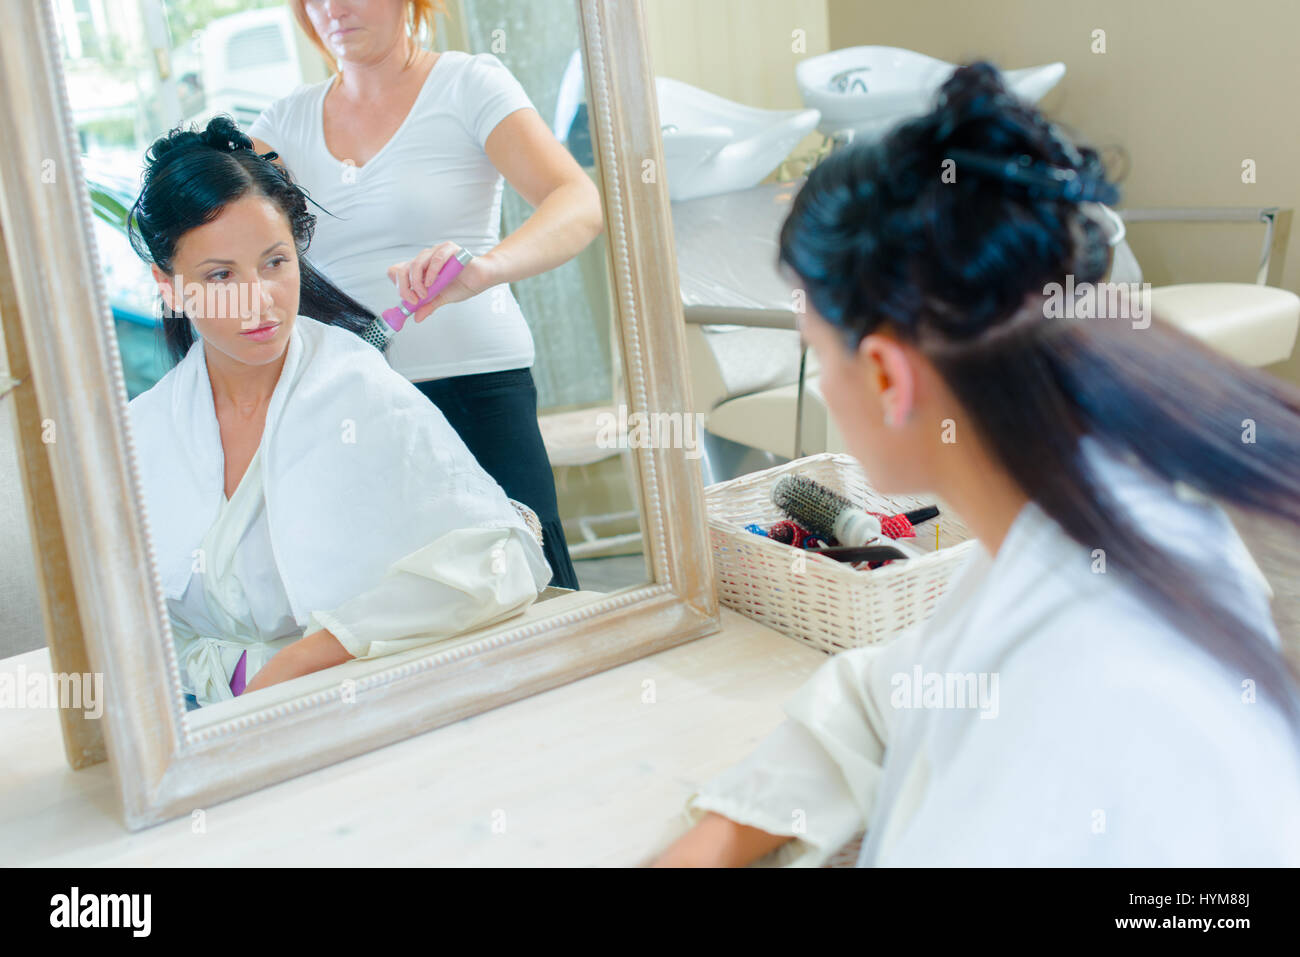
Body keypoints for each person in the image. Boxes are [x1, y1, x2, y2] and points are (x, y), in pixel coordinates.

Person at [651, 62, 1300, 866]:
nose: (820, 378)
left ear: (888, 376)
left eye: (815, 351)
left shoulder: (1085, 687)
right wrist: (719, 836)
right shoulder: (1088, 523)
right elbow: (891, 691)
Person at [127, 116, 552, 709]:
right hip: (191, 719)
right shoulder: (143, 430)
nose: (260, 298)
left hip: (342, 702)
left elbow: (500, 560)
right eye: (221, 275)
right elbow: (121, 616)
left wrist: (311, 656)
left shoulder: (354, 388)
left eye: (275, 262)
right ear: (170, 286)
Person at [245, 0, 604, 590]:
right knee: (399, 606)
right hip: (358, 404)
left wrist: (485, 269)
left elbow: (577, 201)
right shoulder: (284, 124)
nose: (331, 8)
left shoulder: (468, 84)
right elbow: (227, 233)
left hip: (479, 390)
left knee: (531, 591)